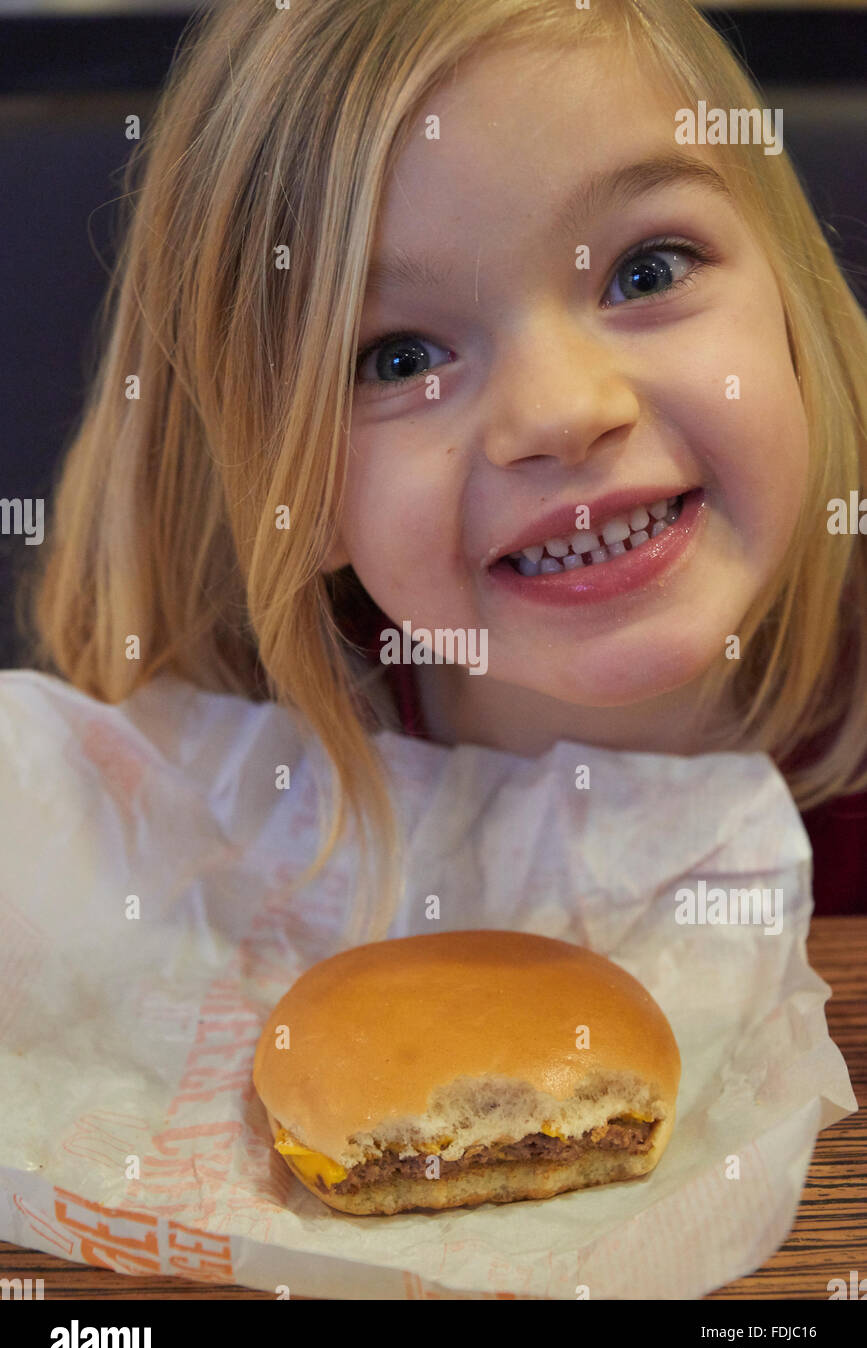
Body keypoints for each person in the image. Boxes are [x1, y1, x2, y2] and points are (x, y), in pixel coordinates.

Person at [10, 0, 867, 937]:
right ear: (284, 485)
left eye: (649, 271)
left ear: (795, 306)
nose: (562, 413)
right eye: (400, 359)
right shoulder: (220, 818)